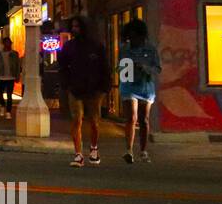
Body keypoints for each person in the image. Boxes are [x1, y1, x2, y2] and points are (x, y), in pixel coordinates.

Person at [57, 16, 109, 168]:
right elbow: (63, 66)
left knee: (94, 120)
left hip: (94, 89)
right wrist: (66, 84)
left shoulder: (96, 46)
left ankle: (94, 148)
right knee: (76, 119)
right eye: (73, 26)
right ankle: (78, 154)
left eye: (77, 26)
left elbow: (104, 67)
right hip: (75, 88)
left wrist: (104, 87)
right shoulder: (69, 46)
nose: (74, 29)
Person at [119, 18, 161, 164]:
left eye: (135, 36)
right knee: (131, 117)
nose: (133, 40)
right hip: (129, 85)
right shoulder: (125, 49)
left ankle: (143, 151)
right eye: (130, 37)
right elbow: (122, 68)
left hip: (145, 86)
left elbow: (157, 68)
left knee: (144, 119)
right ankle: (129, 150)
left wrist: (145, 68)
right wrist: (125, 68)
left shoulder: (151, 49)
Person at [0, 38, 21, 120]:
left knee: (9, 95)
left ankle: (8, 112)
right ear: (4, 44)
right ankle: (2, 105)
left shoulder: (14, 54)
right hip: (1, 76)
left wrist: (17, 76)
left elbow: (18, 66)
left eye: (9, 43)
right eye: (6, 43)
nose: (8, 45)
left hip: (10, 77)